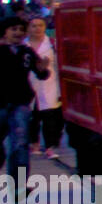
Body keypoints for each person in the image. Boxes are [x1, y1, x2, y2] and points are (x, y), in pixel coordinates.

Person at [0, 16, 50, 184]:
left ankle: (18, 185)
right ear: (5, 32)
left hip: (20, 102)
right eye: (13, 29)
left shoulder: (26, 51)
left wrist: (43, 70)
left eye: (21, 30)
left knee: (20, 145)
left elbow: (40, 73)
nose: (18, 33)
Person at [25, 16, 62, 157]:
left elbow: (58, 64)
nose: (37, 28)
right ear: (29, 28)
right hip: (29, 84)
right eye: (34, 26)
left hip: (50, 84)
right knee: (32, 116)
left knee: (49, 116)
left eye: (40, 25)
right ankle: (34, 144)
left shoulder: (52, 44)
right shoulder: (24, 46)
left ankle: (49, 147)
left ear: (45, 27)